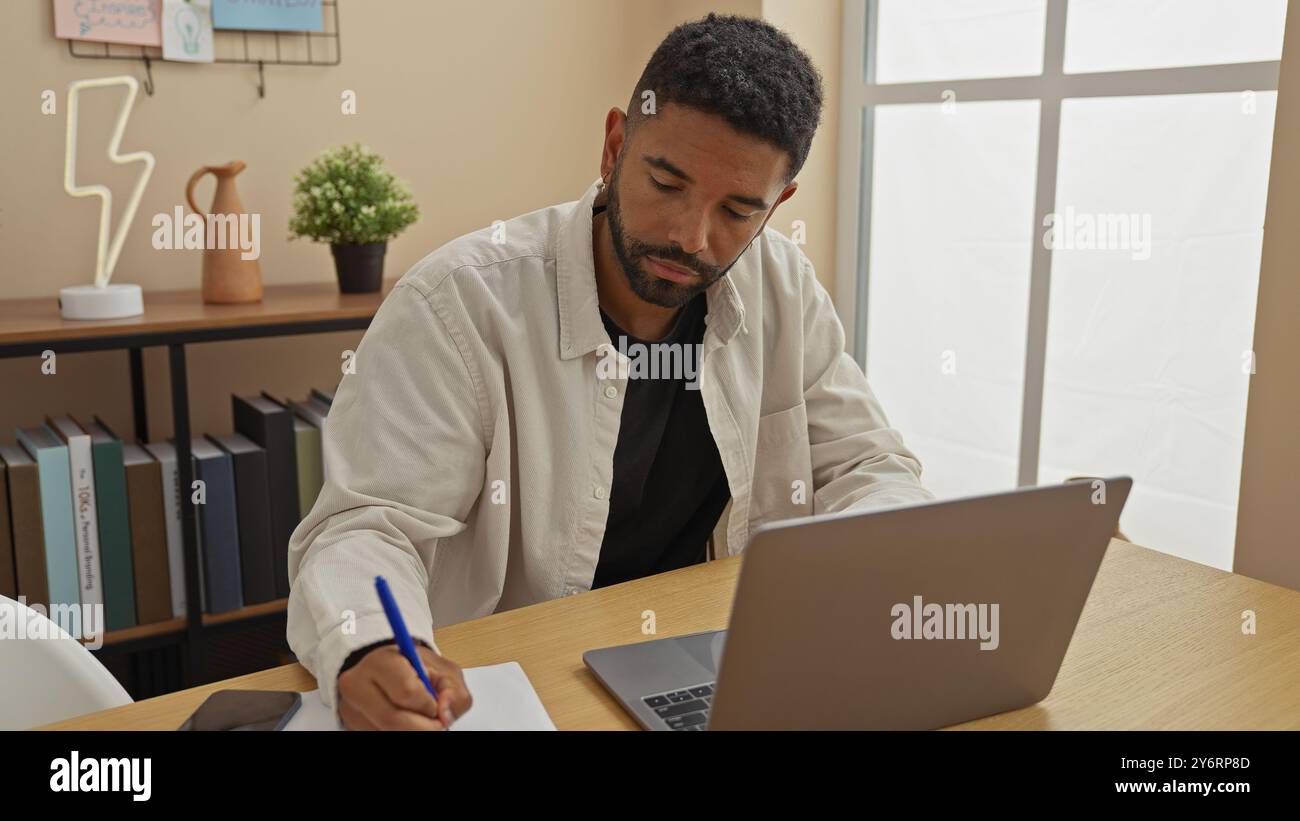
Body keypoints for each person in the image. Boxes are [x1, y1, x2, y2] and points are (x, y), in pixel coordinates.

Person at [286, 13, 932, 731]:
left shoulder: (784, 287)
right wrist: (367, 645)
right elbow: (363, 527)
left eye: (738, 210)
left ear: (778, 203)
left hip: (702, 668)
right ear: (616, 145)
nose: (691, 236)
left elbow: (871, 465)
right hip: (515, 689)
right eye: (666, 181)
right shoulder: (457, 305)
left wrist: (869, 580)